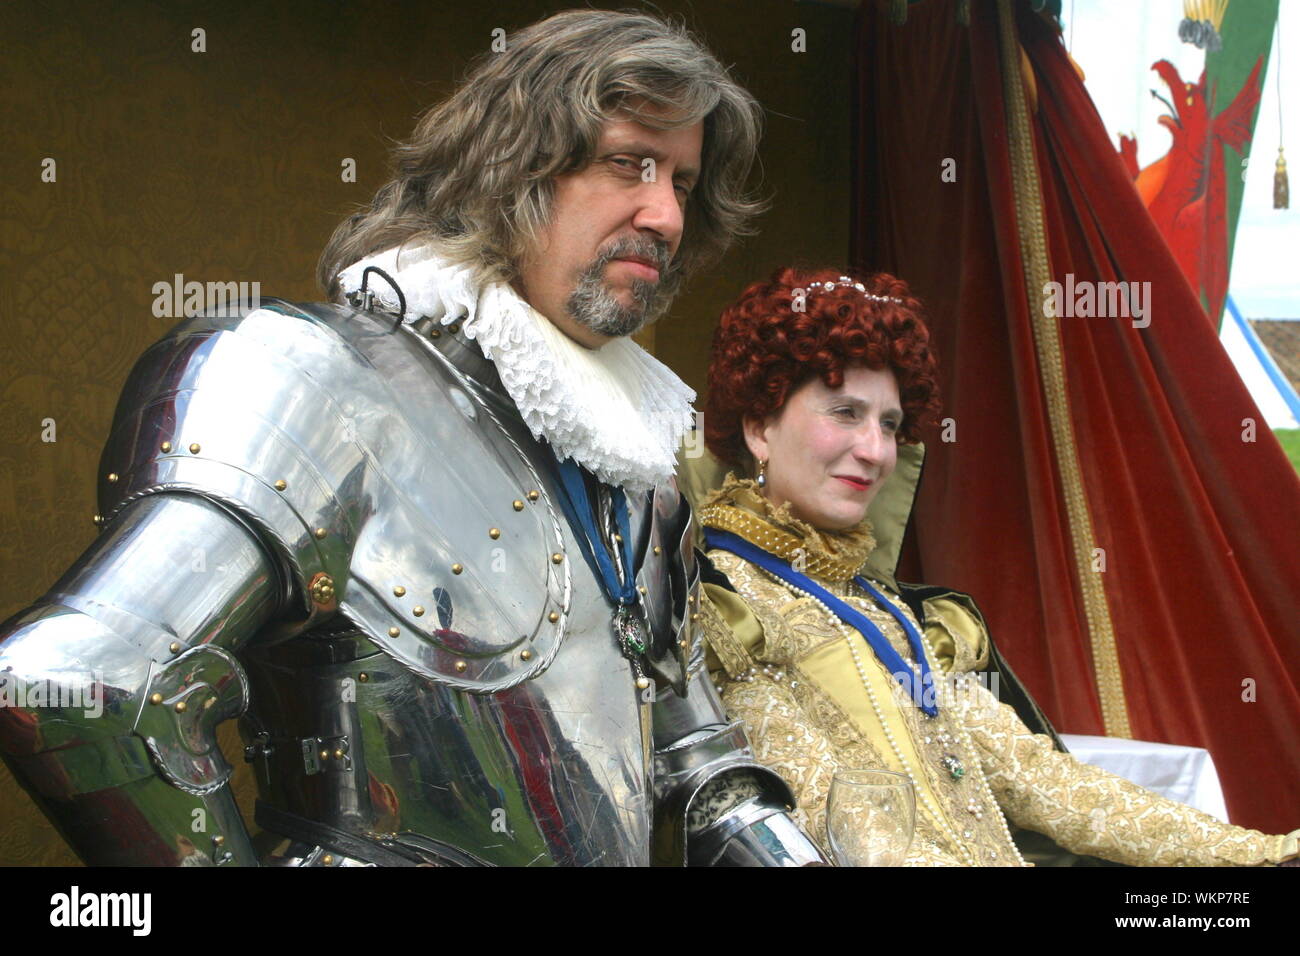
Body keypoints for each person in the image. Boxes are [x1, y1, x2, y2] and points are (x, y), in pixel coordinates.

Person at [0, 11, 825, 867]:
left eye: (683, 183)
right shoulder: (309, 374)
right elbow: (82, 685)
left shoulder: (636, 463)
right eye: (628, 164)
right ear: (510, 165)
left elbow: (697, 765)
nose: (664, 215)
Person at [691, 265, 1300, 865]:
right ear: (759, 427)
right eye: (845, 413)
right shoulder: (722, 601)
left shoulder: (880, 605)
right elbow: (843, 827)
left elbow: (1039, 778)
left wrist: (1260, 855)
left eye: (891, 423)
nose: (875, 450)